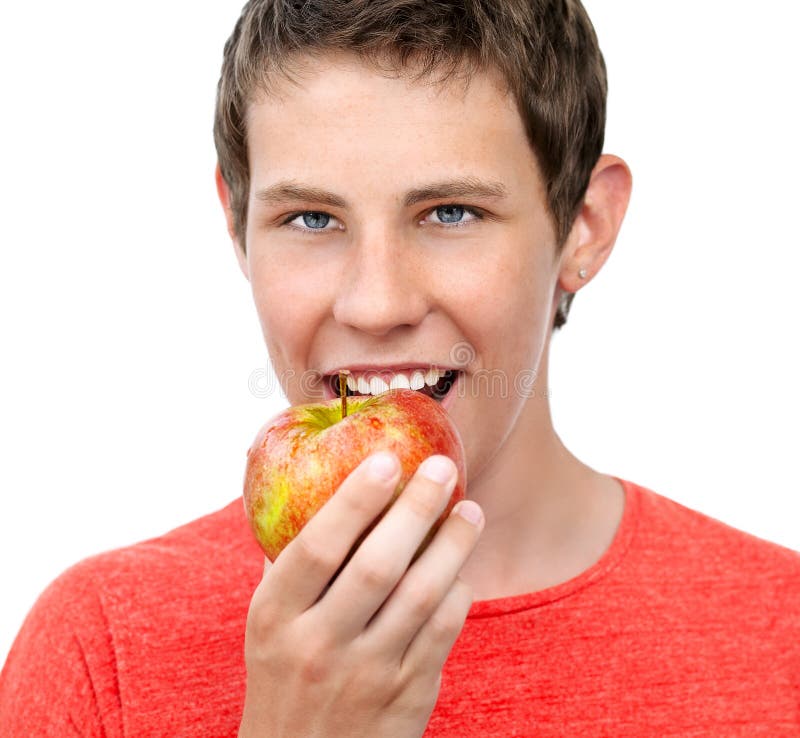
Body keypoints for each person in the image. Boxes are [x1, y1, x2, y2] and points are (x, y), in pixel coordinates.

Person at [1, 0, 798, 735]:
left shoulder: (780, 639)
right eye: (310, 218)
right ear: (238, 229)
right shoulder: (101, 651)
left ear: (585, 228)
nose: (375, 305)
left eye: (452, 213)